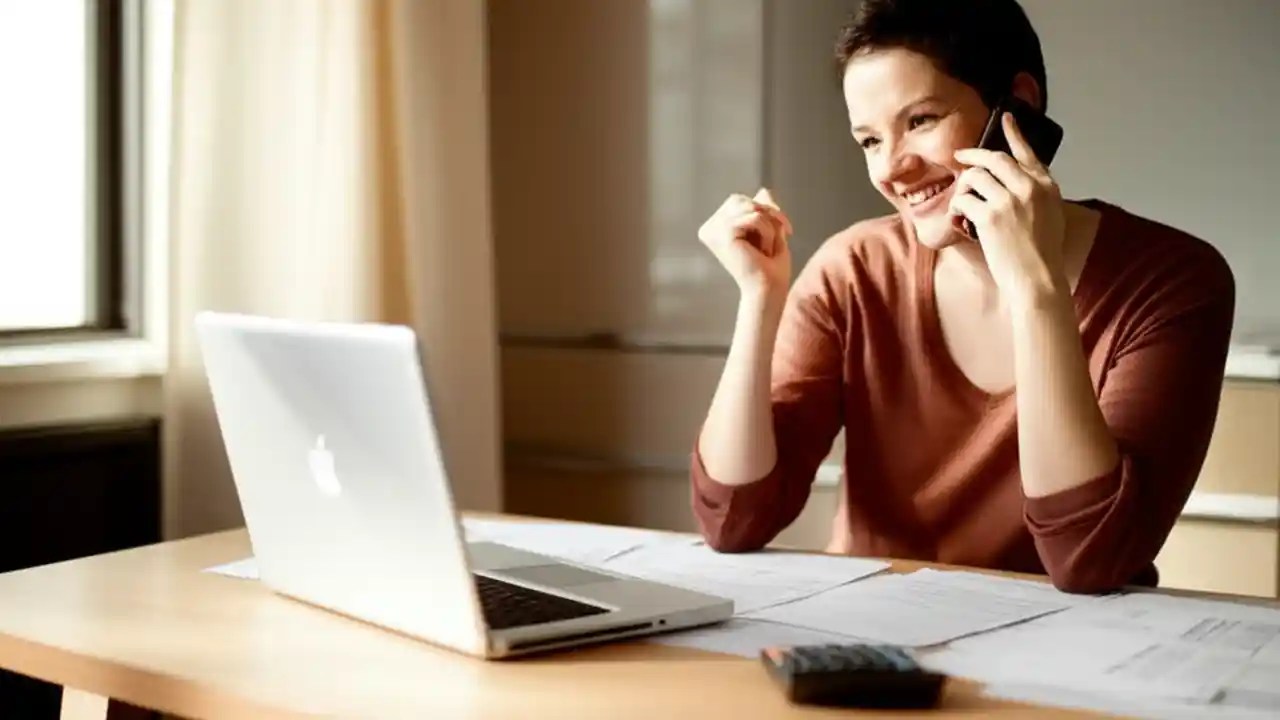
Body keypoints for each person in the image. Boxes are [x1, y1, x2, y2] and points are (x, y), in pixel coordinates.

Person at [689, 0, 1235, 593]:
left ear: (1018, 107)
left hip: (1071, 657)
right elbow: (733, 518)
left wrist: (1035, 288)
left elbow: (1089, 558)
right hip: (872, 645)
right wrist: (759, 300)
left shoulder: (1174, 280)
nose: (892, 168)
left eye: (920, 120)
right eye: (870, 141)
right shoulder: (853, 270)